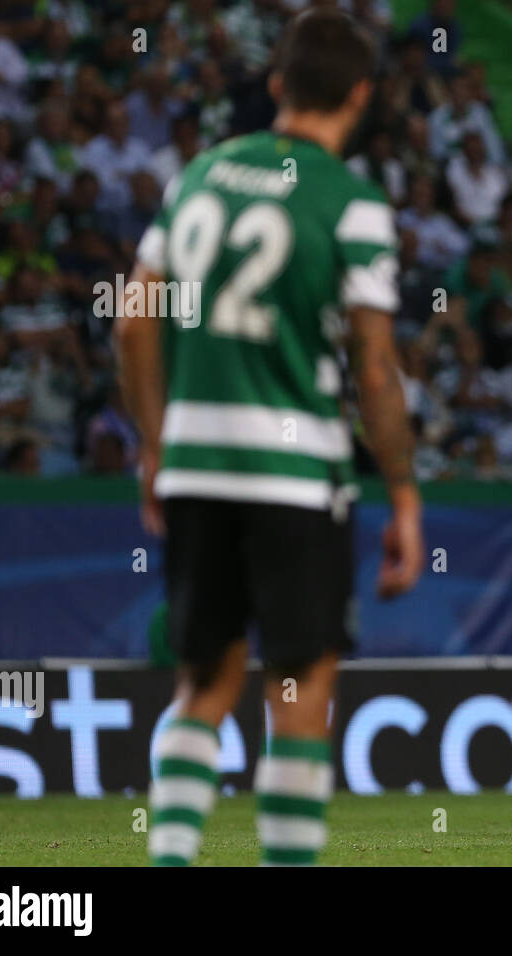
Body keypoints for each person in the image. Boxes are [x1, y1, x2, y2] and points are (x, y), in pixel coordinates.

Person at [113, 8, 425, 867]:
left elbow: (134, 319)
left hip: (196, 464)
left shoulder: (200, 176)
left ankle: (170, 857)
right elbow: (373, 368)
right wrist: (402, 491)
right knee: (299, 689)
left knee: (203, 684)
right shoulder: (354, 205)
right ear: (361, 96)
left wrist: (154, 442)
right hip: (295, 475)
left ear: (278, 84)